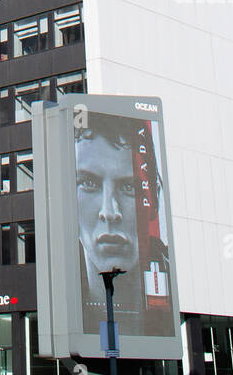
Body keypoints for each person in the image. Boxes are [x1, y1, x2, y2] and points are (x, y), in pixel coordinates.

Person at [74, 113, 172, 338]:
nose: (109, 212)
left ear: (154, 198)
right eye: (89, 183)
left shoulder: (175, 290)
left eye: (130, 187)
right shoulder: (54, 293)